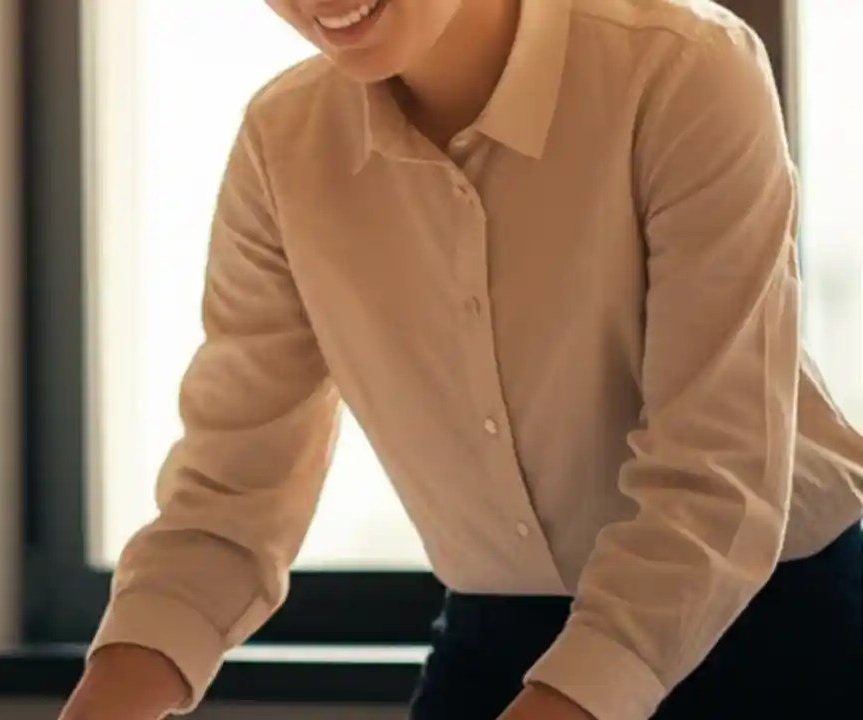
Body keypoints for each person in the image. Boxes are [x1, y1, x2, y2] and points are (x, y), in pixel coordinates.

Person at [60, 0, 863, 718]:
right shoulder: (284, 146)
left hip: (778, 630)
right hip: (499, 631)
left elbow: (713, 475)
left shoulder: (683, 68)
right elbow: (227, 501)